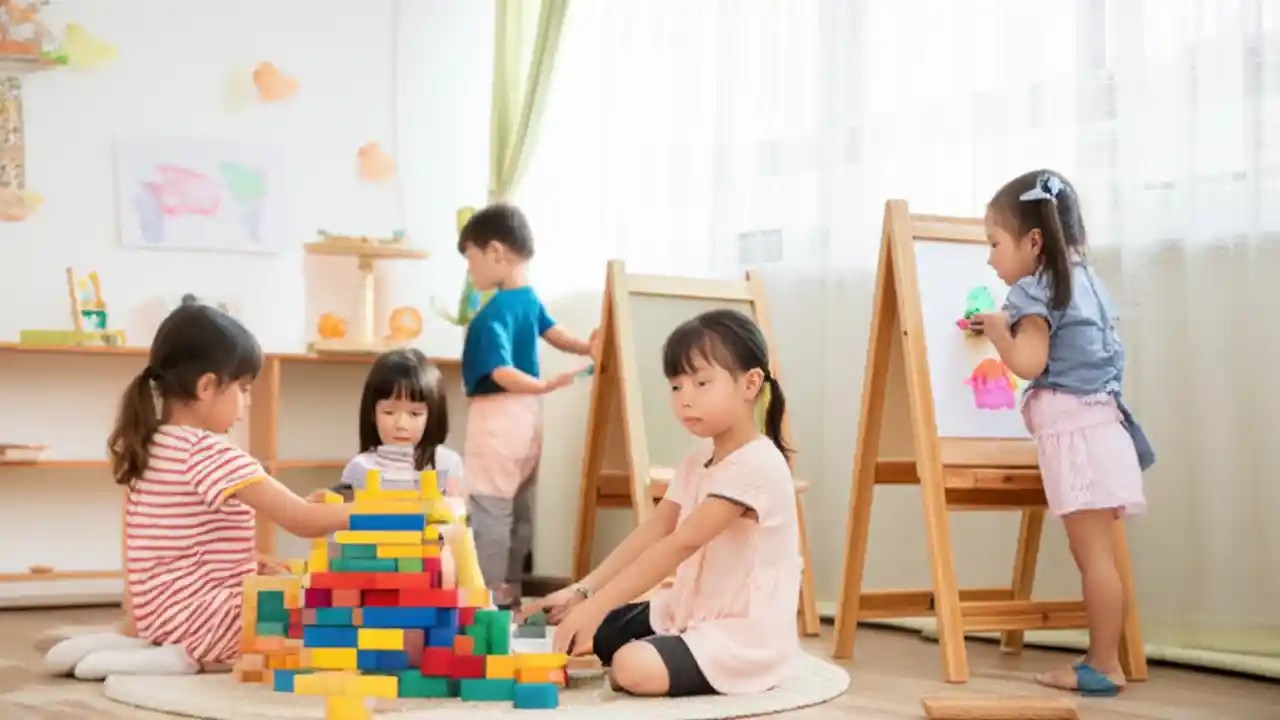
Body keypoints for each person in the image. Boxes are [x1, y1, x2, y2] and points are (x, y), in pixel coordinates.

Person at [43, 303, 352, 679]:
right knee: (323, 607)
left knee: (276, 576)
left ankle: (141, 645)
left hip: (155, 615)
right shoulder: (210, 453)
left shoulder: (151, 443)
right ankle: (184, 658)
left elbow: (176, 543)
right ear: (206, 386)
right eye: (242, 388)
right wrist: (376, 512)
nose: (247, 402)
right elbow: (302, 522)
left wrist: (252, 560)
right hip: (207, 622)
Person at [520, 309, 801, 698]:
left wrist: (596, 606)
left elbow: (678, 544)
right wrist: (582, 594)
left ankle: (668, 656)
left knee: (631, 665)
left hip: (742, 632)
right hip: (690, 609)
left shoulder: (756, 463)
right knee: (590, 630)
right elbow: (654, 531)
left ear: (750, 384)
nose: (685, 400)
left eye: (702, 383)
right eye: (676, 387)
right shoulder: (699, 457)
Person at [971, 169, 1155, 697]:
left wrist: (999, 332)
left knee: (1094, 557)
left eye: (994, 243)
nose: (989, 258)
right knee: (1101, 555)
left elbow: (1029, 362)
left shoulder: (1035, 288)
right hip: (1103, 428)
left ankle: (1102, 666)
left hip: (1079, 438)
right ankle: (1104, 659)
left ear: (1033, 241)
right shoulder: (1086, 280)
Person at [457, 203, 597, 608]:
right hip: (529, 419)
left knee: (489, 505)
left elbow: (499, 371)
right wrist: (587, 348)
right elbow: (555, 333)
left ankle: (487, 598)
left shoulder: (492, 314)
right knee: (517, 504)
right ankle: (512, 591)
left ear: (497, 252)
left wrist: (540, 384)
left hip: (500, 414)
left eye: (471, 258)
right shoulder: (529, 300)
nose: (470, 271)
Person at [332, 348, 464, 501]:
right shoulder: (359, 467)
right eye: (388, 412)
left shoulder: (447, 463)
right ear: (372, 413)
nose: (401, 424)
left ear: (432, 415)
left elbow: (457, 517)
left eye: (415, 414)